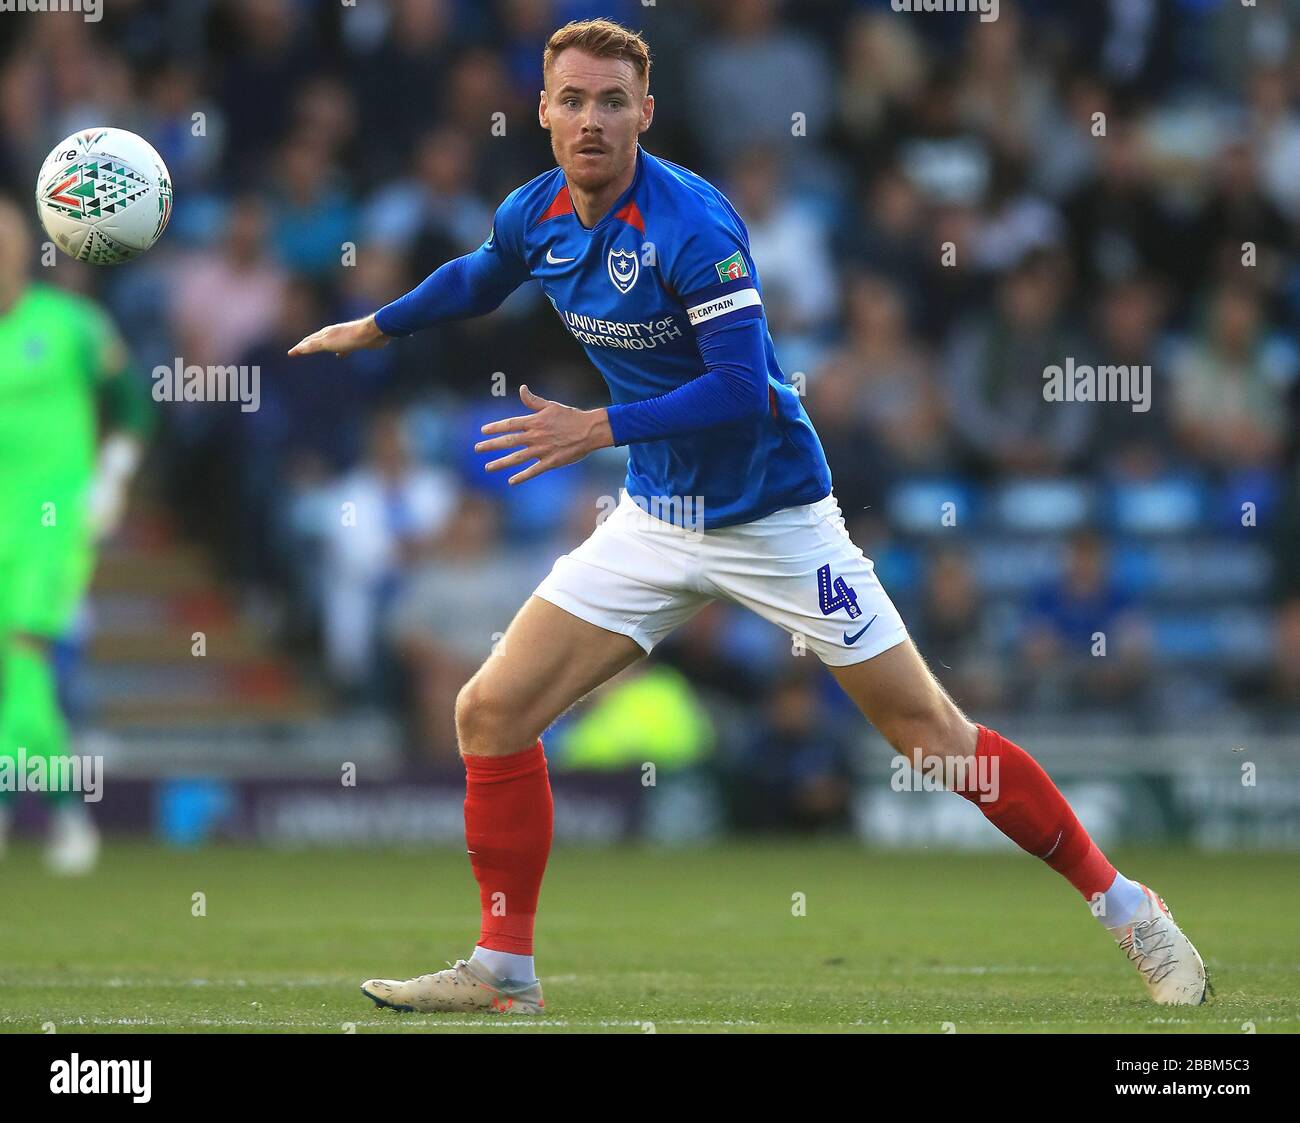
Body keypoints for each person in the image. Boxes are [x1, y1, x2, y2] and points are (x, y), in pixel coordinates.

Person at [289, 19, 1208, 1014]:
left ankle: (1130, 911)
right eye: (571, 100)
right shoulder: (536, 210)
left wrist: (598, 425)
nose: (590, 119)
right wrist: (376, 324)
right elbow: (479, 274)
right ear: (543, 111)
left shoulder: (692, 224)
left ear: (646, 111)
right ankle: (504, 969)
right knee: (489, 712)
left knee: (928, 735)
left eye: (611, 101)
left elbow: (737, 386)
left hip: (773, 515)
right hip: (656, 516)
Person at [0, 197, 152, 874]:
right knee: (18, 679)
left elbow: (133, 403)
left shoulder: (71, 324)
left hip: (52, 527)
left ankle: (46, 813)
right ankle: (61, 815)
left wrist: (113, 475)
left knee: (25, 652)